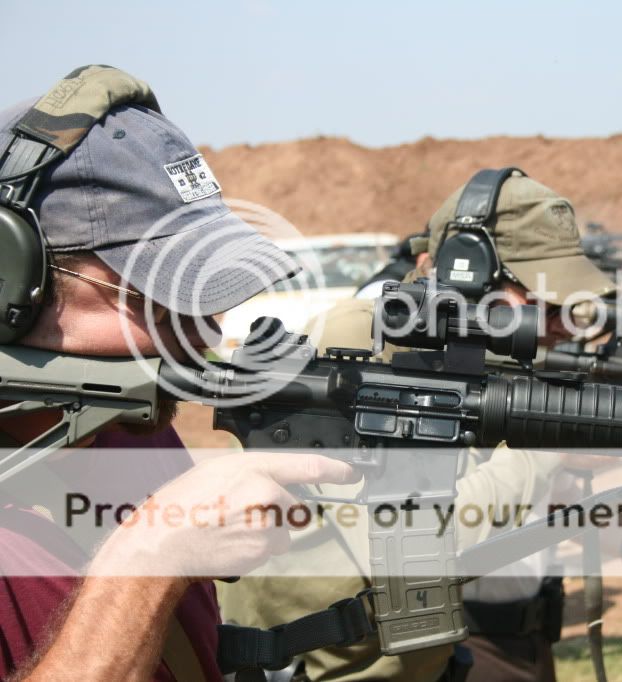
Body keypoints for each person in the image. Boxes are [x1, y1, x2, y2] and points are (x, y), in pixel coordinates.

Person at [218, 171, 622, 681]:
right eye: (540, 298)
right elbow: (412, 541)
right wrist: (546, 448)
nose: (557, 322)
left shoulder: (467, 360)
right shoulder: (361, 345)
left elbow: (526, 492)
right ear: (466, 268)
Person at [0, 69, 359, 681]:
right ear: (12, 279)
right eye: (158, 301)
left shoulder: (129, 434)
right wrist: (149, 559)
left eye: (205, 299)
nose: (205, 334)